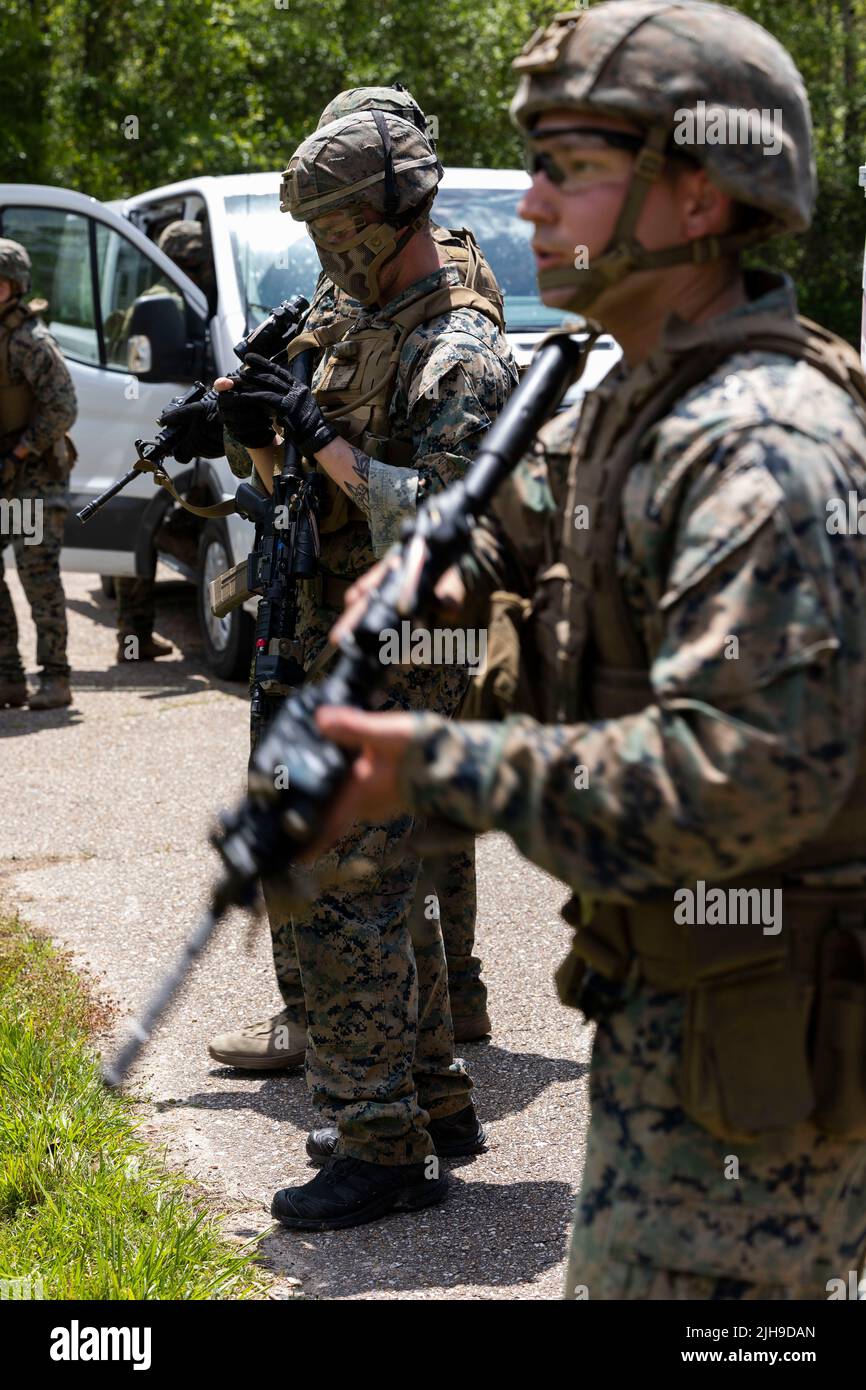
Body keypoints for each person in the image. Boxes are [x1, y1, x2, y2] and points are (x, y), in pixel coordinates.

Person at [308, 0, 866, 1296]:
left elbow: (734, 776)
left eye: (568, 169)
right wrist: (444, 563)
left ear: (696, 197)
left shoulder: (759, 444)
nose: (531, 205)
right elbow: (528, 521)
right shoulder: (634, 392)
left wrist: (436, 766)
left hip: (758, 1061)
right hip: (680, 1011)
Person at [174, 108, 518, 1228]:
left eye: (336, 226)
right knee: (375, 884)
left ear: (388, 215)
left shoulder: (458, 347)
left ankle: (382, 1149)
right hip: (330, 625)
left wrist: (318, 438)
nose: (324, 249)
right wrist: (250, 425)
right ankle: (431, 1101)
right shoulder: (354, 311)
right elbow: (298, 452)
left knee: (339, 890)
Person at [114, 219, 215, 664]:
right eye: (192, 262)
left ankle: (134, 633)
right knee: (146, 521)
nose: (198, 270)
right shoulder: (168, 301)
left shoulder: (164, 299)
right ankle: (134, 634)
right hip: (165, 423)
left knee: (143, 521)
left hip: (156, 422)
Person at [0, 237, 77, 711]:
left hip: (32, 481)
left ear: (17, 287)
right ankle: (8, 676)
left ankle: (55, 676)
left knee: (37, 574)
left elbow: (63, 408)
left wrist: (19, 452)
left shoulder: (31, 342)